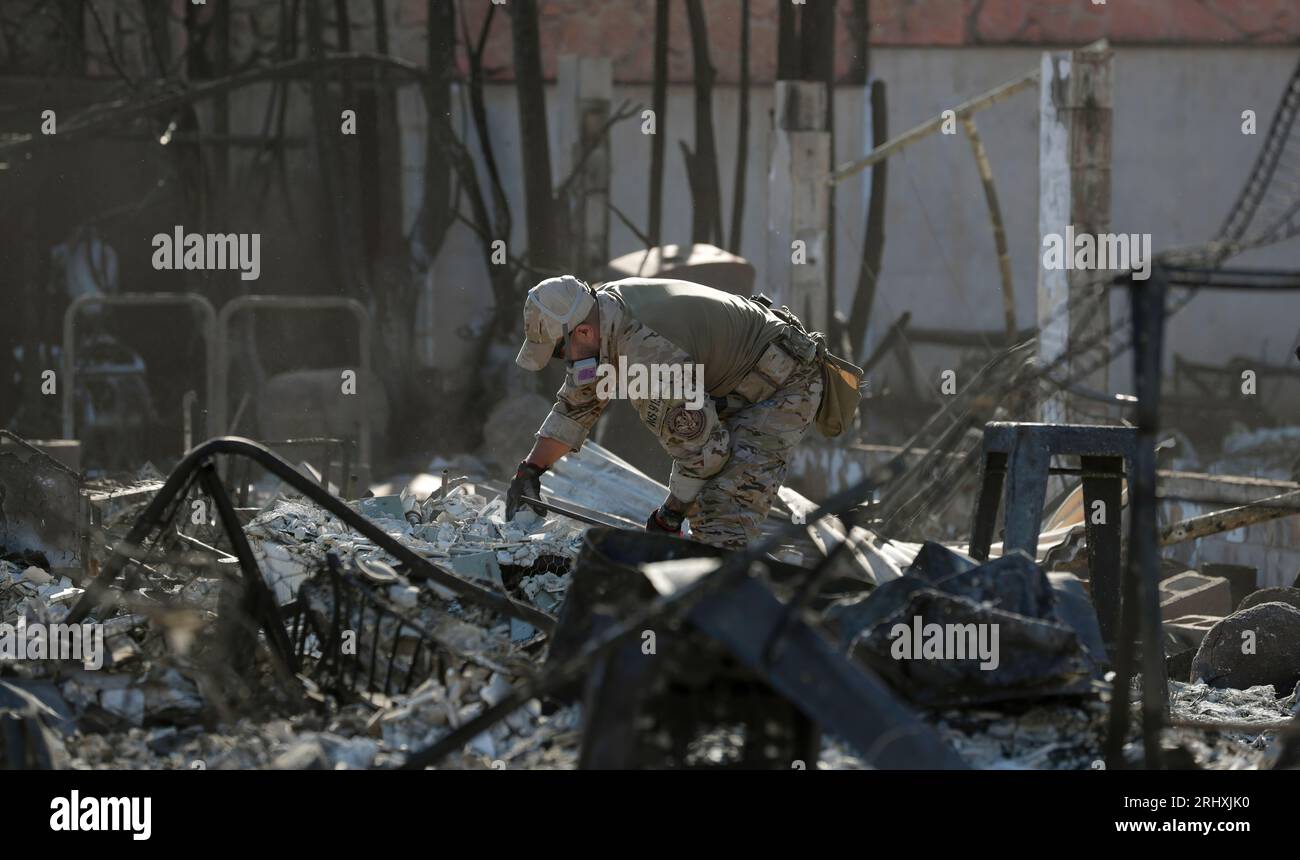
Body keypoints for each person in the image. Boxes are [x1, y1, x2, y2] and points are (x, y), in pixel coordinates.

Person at [504, 275, 825, 550]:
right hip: (740, 381)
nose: (567, 363)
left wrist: (668, 516)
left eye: (560, 352)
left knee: (721, 522)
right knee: (704, 513)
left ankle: (747, 610)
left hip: (782, 386)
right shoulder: (602, 313)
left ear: (583, 333)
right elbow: (577, 405)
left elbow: (704, 456)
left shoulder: (646, 358)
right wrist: (530, 471)